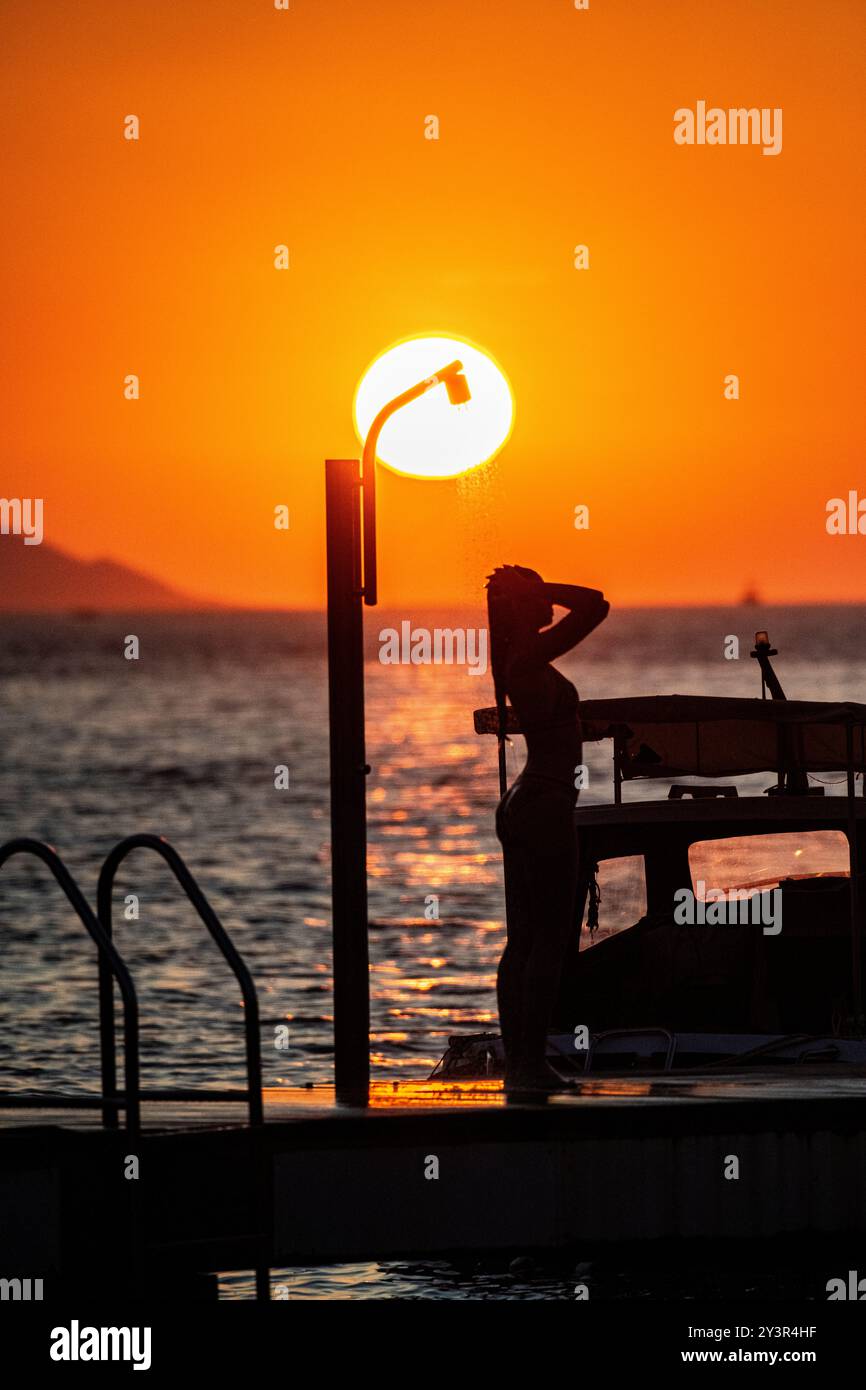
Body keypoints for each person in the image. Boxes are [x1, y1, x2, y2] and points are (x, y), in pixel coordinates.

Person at [486, 565, 609, 1092]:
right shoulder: (529, 654)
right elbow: (597, 603)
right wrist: (541, 589)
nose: (549, 607)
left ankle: (521, 1064)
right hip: (545, 803)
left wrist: (532, 589)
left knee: (524, 941)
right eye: (537, 596)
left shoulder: (519, 656)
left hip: (527, 800)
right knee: (550, 940)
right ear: (521, 603)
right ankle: (528, 1064)